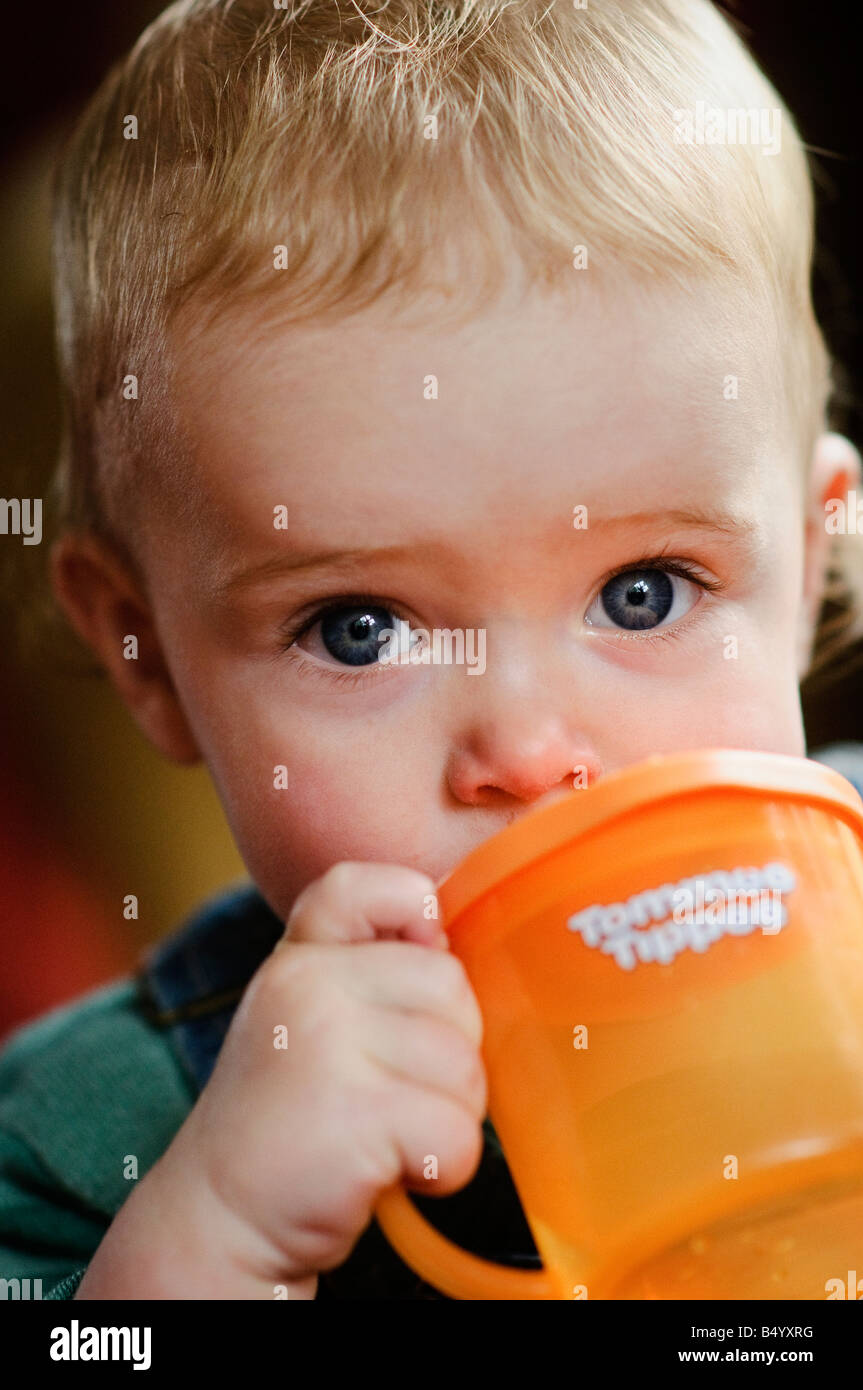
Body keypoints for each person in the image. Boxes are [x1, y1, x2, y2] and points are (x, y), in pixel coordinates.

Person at [2, 0, 863, 1300]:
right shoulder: (93, 1135)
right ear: (147, 653)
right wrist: (210, 1240)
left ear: (807, 564)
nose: (525, 753)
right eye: (360, 628)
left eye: (642, 592)